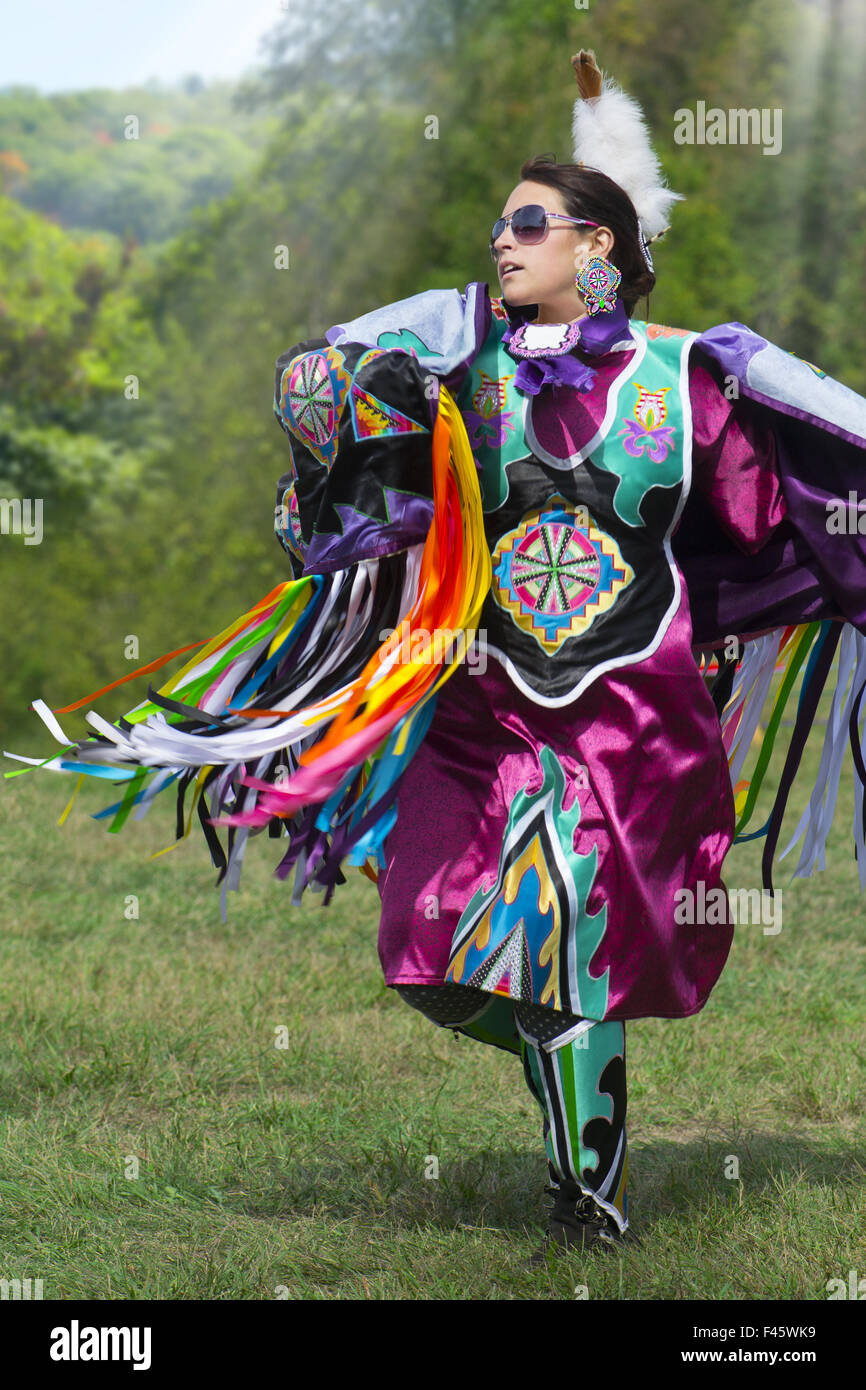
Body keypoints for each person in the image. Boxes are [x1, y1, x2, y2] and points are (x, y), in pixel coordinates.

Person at [8, 52, 866, 1262]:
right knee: (426, 949)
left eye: (527, 225)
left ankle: (589, 1205)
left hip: (629, 718)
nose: (501, 243)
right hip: (487, 711)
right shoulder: (463, 363)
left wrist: (739, 626)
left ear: (597, 247)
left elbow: (759, 518)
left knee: (569, 938)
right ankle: (576, 1068)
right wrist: (369, 375)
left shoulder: (689, 375)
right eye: (499, 226)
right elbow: (316, 401)